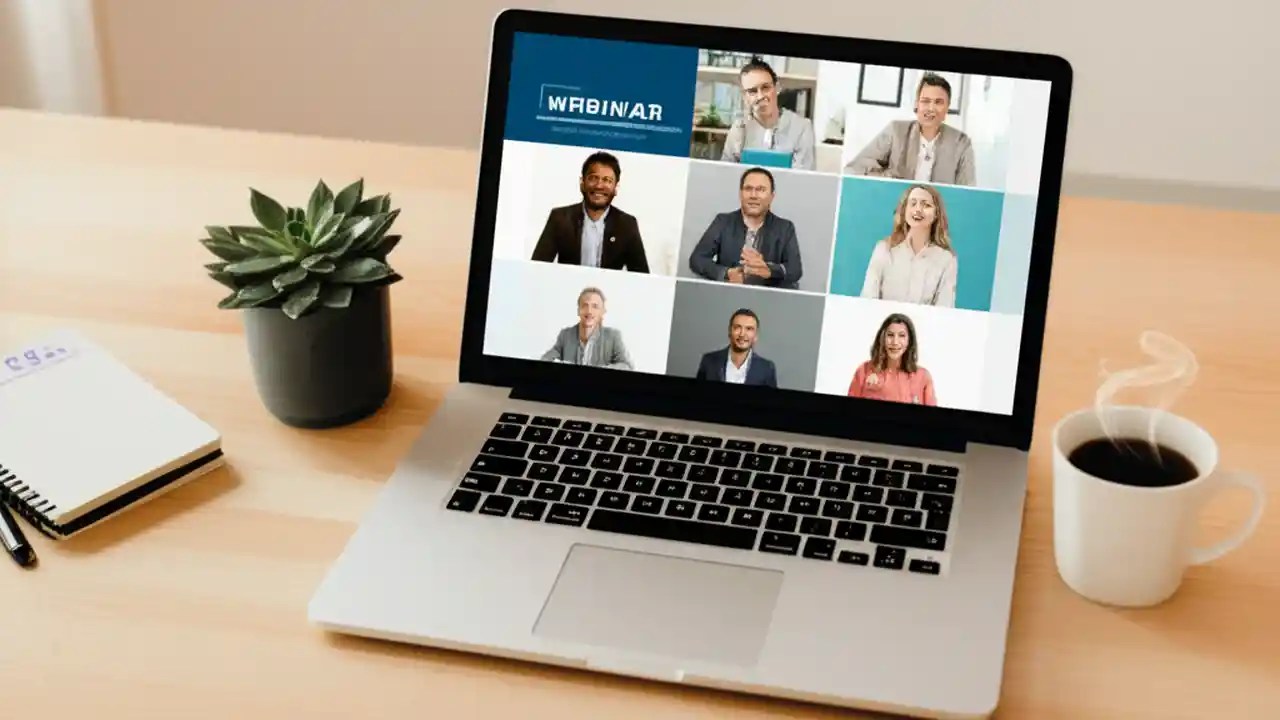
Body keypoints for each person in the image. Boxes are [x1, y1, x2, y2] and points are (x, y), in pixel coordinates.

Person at [844, 72, 976, 186]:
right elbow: (853, 169)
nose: (931, 108)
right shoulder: (896, 131)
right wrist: (889, 179)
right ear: (916, 104)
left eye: (938, 102)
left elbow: (968, 191)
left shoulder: (961, 143)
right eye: (925, 101)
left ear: (947, 107)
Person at [530, 151, 650, 272]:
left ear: (615, 188)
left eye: (607, 180)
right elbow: (536, 269)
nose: (599, 185)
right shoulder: (560, 218)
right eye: (593, 178)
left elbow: (642, 277)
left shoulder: (627, 225)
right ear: (582, 183)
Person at [688, 167, 803, 289]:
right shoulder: (723, 222)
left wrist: (769, 270)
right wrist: (727, 274)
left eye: (761, 190)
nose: (753, 195)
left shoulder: (785, 228)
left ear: (772, 196)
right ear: (740, 193)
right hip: (728, 294)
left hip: (768, 299)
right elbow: (697, 259)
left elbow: (795, 270)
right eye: (748, 189)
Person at [860, 184, 958, 307]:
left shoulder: (946, 260)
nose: (918, 210)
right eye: (913, 203)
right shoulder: (884, 249)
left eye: (926, 205)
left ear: (936, 214)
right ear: (904, 210)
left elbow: (945, 309)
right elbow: (867, 299)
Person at [720, 56, 816, 171]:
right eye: (752, 91)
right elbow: (726, 174)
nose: (760, 96)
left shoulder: (802, 127)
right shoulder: (738, 129)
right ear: (744, 97)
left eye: (765, 88)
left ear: (777, 88)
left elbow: (802, 180)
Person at [847, 313, 936, 405]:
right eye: (890, 335)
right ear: (882, 338)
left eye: (902, 335)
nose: (895, 342)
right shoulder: (864, 371)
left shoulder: (923, 377)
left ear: (909, 341)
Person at [540, 286, 633, 369]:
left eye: (595, 306)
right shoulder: (565, 335)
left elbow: (627, 366)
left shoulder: (613, 337)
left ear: (602, 312)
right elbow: (545, 359)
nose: (589, 311)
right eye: (585, 305)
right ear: (578, 310)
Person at [695, 308, 778, 387]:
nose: (742, 334)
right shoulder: (709, 361)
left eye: (749, 329)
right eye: (737, 327)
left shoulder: (767, 368)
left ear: (756, 336)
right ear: (730, 331)